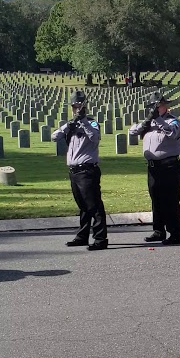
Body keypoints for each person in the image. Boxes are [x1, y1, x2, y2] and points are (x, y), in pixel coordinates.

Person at [51, 90, 108, 251]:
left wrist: (83, 121)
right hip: (74, 171)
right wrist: (69, 125)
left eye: (79, 106)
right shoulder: (71, 124)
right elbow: (54, 137)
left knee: (94, 205)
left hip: (87, 170)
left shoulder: (92, 123)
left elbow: (95, 138)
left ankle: (100, 238)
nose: (76, 109)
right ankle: (82, 236)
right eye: (74, 107)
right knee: (83, 206)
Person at [128, 90, 180, 245]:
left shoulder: (173, 121)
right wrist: (147, 121)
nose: (155, 109)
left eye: (157, 106)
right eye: (153, 107)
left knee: (170, 200)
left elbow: (173, 133)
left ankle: (175, 233)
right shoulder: (149, 123)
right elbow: (132, 131)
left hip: (169, 166)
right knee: (156, 199)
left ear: (165, 106)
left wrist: (158, 119)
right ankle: (159, 231)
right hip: (153, 167)